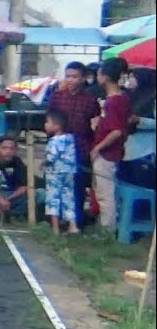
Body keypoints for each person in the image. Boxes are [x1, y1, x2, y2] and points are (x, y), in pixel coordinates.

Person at [46, 62, 97, 226]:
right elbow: (49, 120)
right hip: (58, 148)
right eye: (68, 76)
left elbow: (94, 124)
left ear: (83, 78)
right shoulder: (57, 97)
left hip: (80, 148)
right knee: (55, 185)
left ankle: (75, 222)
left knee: (77, 186)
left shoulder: (90, 100)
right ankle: (56, 220)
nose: (71, 80)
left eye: (75, 77)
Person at [90, 58, 131, 230]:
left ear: (105, 77)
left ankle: (107, 229)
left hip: (107, 153)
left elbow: (116, 131)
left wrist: (97, 148)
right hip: (112, 151)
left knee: (105, 194)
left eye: (99, 74)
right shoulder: (121, 99)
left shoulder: (113, 102)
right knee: (104, 192)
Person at [43, 110, 80, 234]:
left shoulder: (55, 141)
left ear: (57, 126)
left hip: (55, 173)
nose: (45, 125)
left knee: (53, 198)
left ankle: (55, 228)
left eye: (48, 122)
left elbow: (51, 157)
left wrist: (44, 162)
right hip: (69, 172)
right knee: (68, 198)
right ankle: (72, 225)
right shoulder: (70, 138)